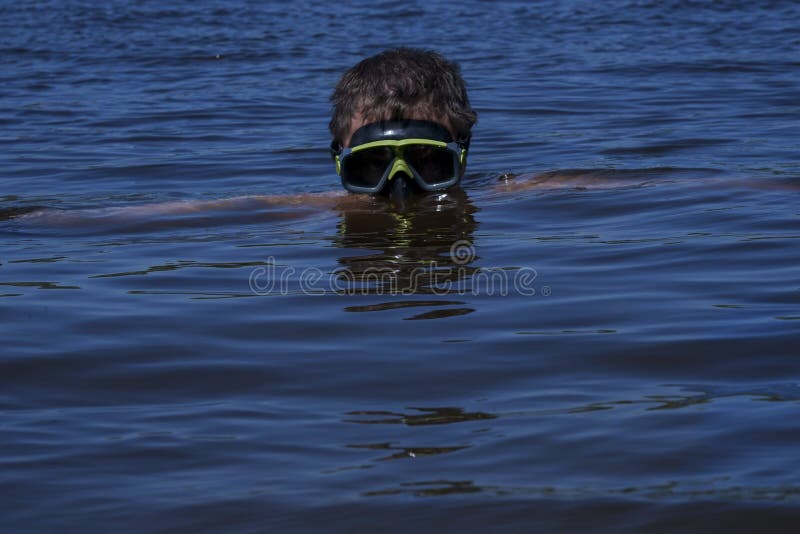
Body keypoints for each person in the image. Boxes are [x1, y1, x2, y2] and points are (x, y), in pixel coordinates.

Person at [328, 48, 478, 205]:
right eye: (373, 162)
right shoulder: (310, 211)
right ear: (339, 161)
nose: (402, 198)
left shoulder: (499, 195)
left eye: (427, 159)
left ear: (463, 150)